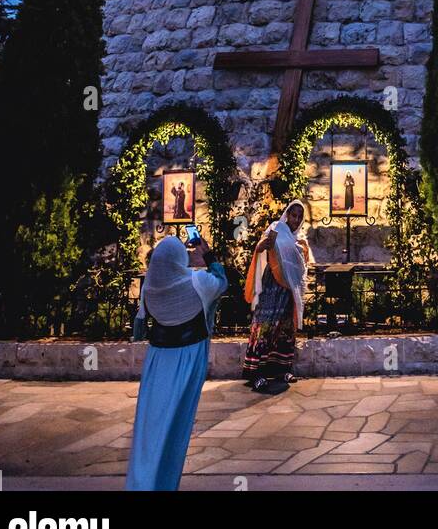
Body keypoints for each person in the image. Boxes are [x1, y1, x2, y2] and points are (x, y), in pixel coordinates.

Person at [126, 234, 227, 491]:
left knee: (150, 426)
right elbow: (221, 282)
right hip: (188, 357)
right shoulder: (197, 283)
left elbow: (142, 323)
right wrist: (207, 255)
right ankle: (163, 483)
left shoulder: (149, 288)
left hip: (157, 360)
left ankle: (143, 482)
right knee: (175, 426)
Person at [242, 200, 310, 393]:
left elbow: (301, 265)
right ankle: (256, 373)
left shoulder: (299, 238)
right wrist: (262, 245)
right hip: (271, 287)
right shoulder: (276, 228)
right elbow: (261, 248)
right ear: (287, 214)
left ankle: (281, 370)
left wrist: (303, 250)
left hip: (288, 290)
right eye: (293, 215)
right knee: (265, 325)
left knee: (284, 328)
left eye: (299, 216)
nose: (295, 220)